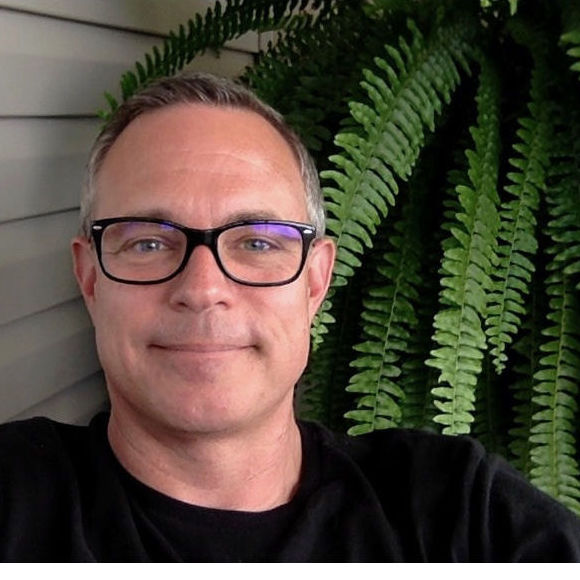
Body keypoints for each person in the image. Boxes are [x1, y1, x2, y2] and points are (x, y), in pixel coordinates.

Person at [1, 71, 580, 563]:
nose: (202, 289)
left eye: (257, 242)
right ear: (90, 279)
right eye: (149, 242)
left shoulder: (462, 515)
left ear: (315, 281)